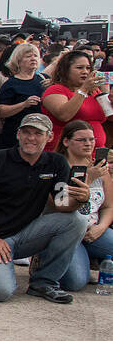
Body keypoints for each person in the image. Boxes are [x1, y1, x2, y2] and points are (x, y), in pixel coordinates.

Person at [0, 113, 88, 303]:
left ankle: (44, 282)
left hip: (24, 235)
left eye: (38, 133)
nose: (31, 138)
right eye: (26, 132)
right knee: (1, 292)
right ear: (18, 134)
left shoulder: (56, 162)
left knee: (77, 220)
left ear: (50, 137)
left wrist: (81, 199)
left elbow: (62, 205)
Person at [57, 120, 113, 291]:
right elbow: (61, 204)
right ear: (66, 142)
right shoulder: (58, 165)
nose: (88, 144)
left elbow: (108, 207)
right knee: (75, 283)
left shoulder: (100, 168)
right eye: (82, 140)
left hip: (93, 230)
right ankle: (45, 260)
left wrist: (101, 227)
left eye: (92, 139)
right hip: (66, 232)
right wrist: (88, 177)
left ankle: (91, 258)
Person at [41, 50, 108, 152]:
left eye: (88, 68)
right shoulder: (55, 90)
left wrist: (107, 95)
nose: (85, 71)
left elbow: (108, 116)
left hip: (96, 153)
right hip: (66, 153)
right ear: (66, 70)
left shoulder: (94, 91)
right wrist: (83, 90)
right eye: (79, 68)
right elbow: (64, 115)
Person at [0, 43, 46, 149]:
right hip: (16, 134)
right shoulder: (11, 84)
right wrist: (24, 104)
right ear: (18, 61)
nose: (33, 59)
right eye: (28, 56)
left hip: (40, 132)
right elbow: (2, 111)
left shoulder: (43, 79)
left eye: (35, 56)